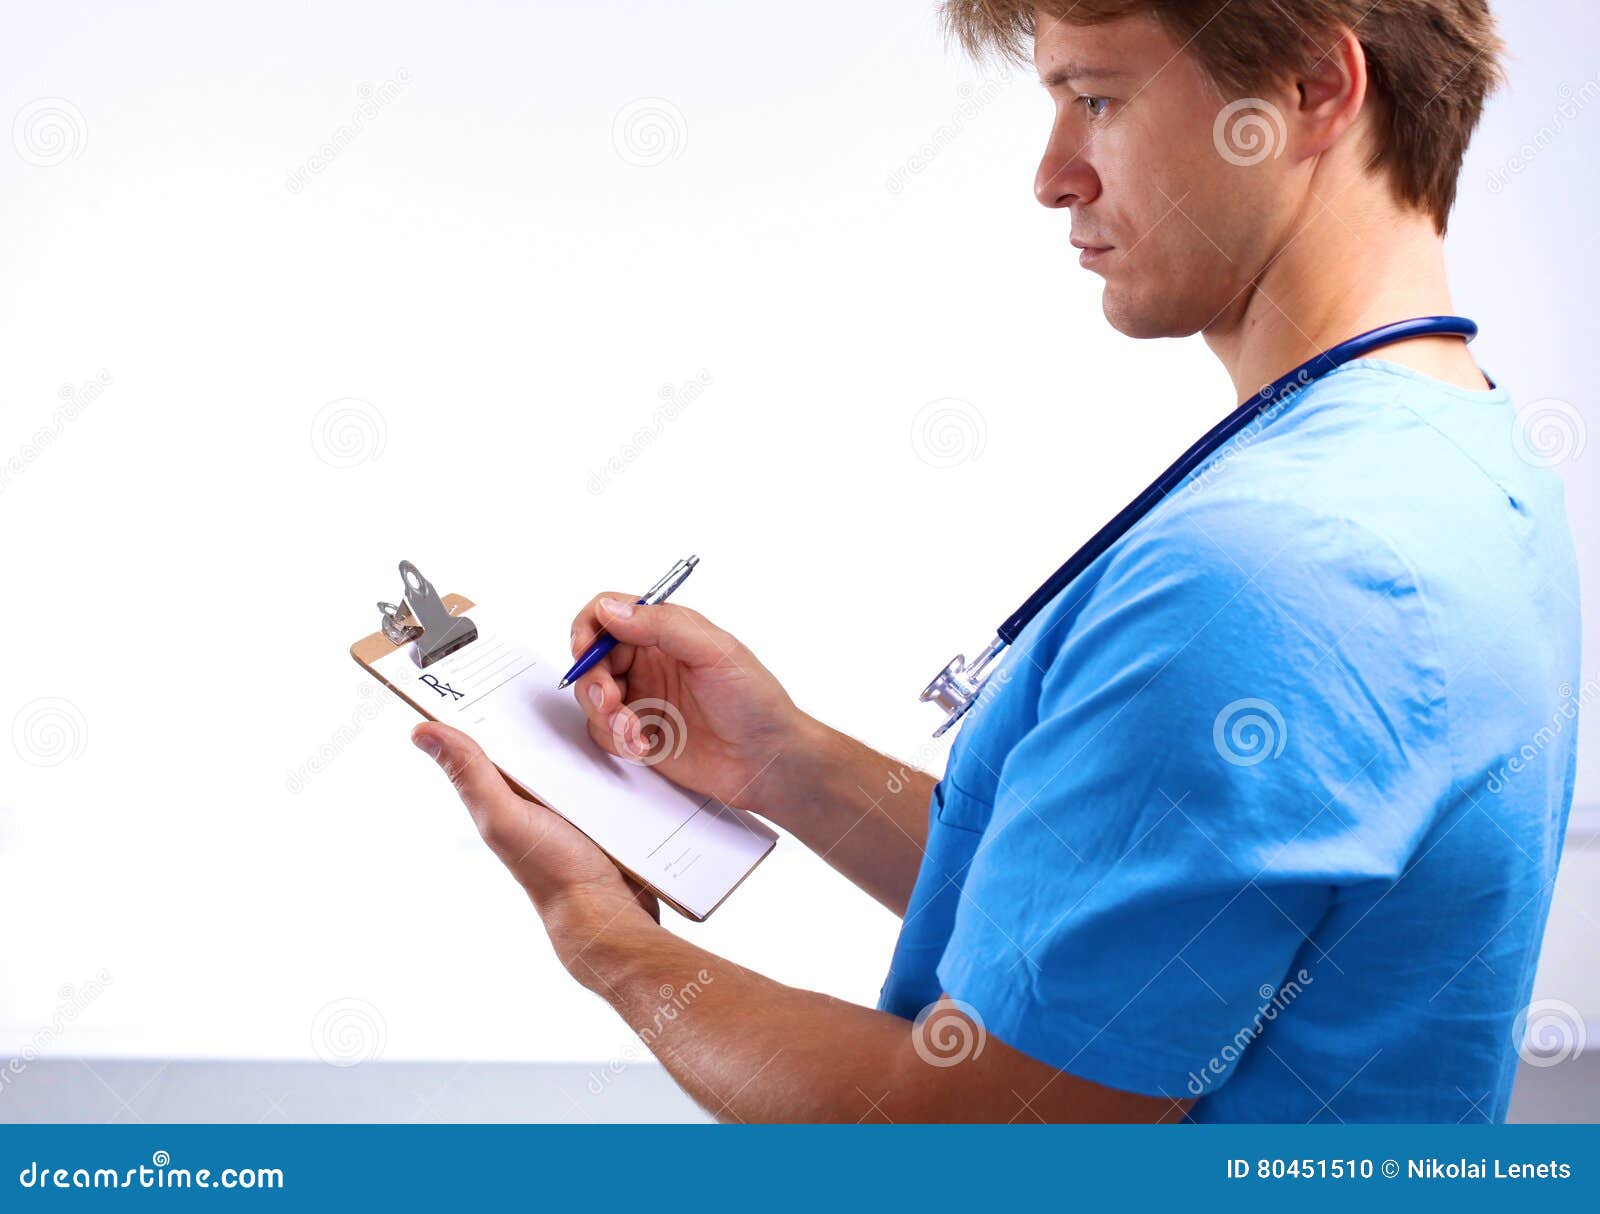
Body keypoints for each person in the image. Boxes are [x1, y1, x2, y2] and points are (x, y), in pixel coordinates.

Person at [412, 0, 1581, 1122]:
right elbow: (1134, 930)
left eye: (1096, 98)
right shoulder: (1466, 455)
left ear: (1310, 89)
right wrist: (787, 764)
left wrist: (601, 932)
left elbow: (972, 1126)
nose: (1052, 174)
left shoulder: (1275, 568)